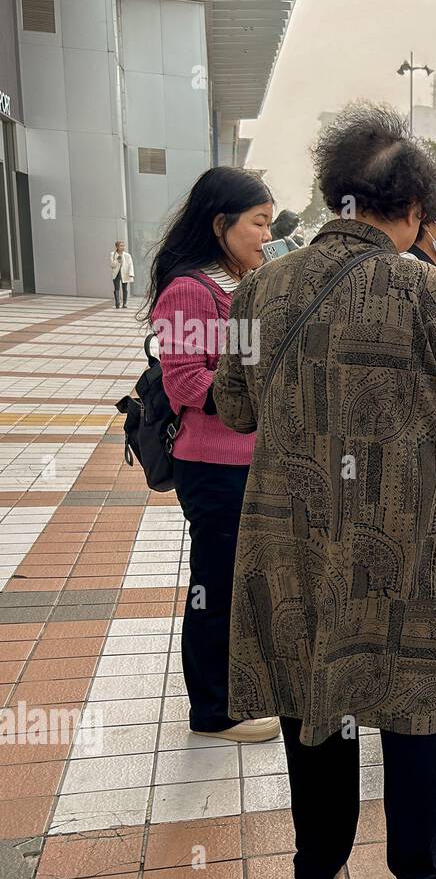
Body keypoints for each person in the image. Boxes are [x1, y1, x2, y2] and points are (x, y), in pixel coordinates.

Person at [213, 105, 436, 879]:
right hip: (406, 531)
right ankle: (420, 878)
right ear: (413, 208)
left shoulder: (257, 291)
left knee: (312, 693)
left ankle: (317, 867)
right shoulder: (422, 287)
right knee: (413, 697)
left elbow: (234, 409)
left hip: (292, 532)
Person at [147, 167, 280, 744]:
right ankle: (213, 711)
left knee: (238, 583)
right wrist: (256, 395)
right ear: (221, 224)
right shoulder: (187, 291)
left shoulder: (235, 284)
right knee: (215, 584)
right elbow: (182, 383)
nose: (266, 236)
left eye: (270, 224)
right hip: (213, 466)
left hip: (245, 461)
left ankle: (238, 691)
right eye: (258, 223)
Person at [110, 241, 134, 309]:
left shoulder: (127, 255)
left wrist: (131, 273)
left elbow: (130, 265)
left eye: (123, 245)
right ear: (117, 246)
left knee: (125, 289)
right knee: (116, 289)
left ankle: (124, 303)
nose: (122, 247)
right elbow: (112, 265)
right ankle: (117, 303)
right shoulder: (112, 254)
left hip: (124, 273)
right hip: (116, 273)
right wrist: (118, 260)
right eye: (121, 245)